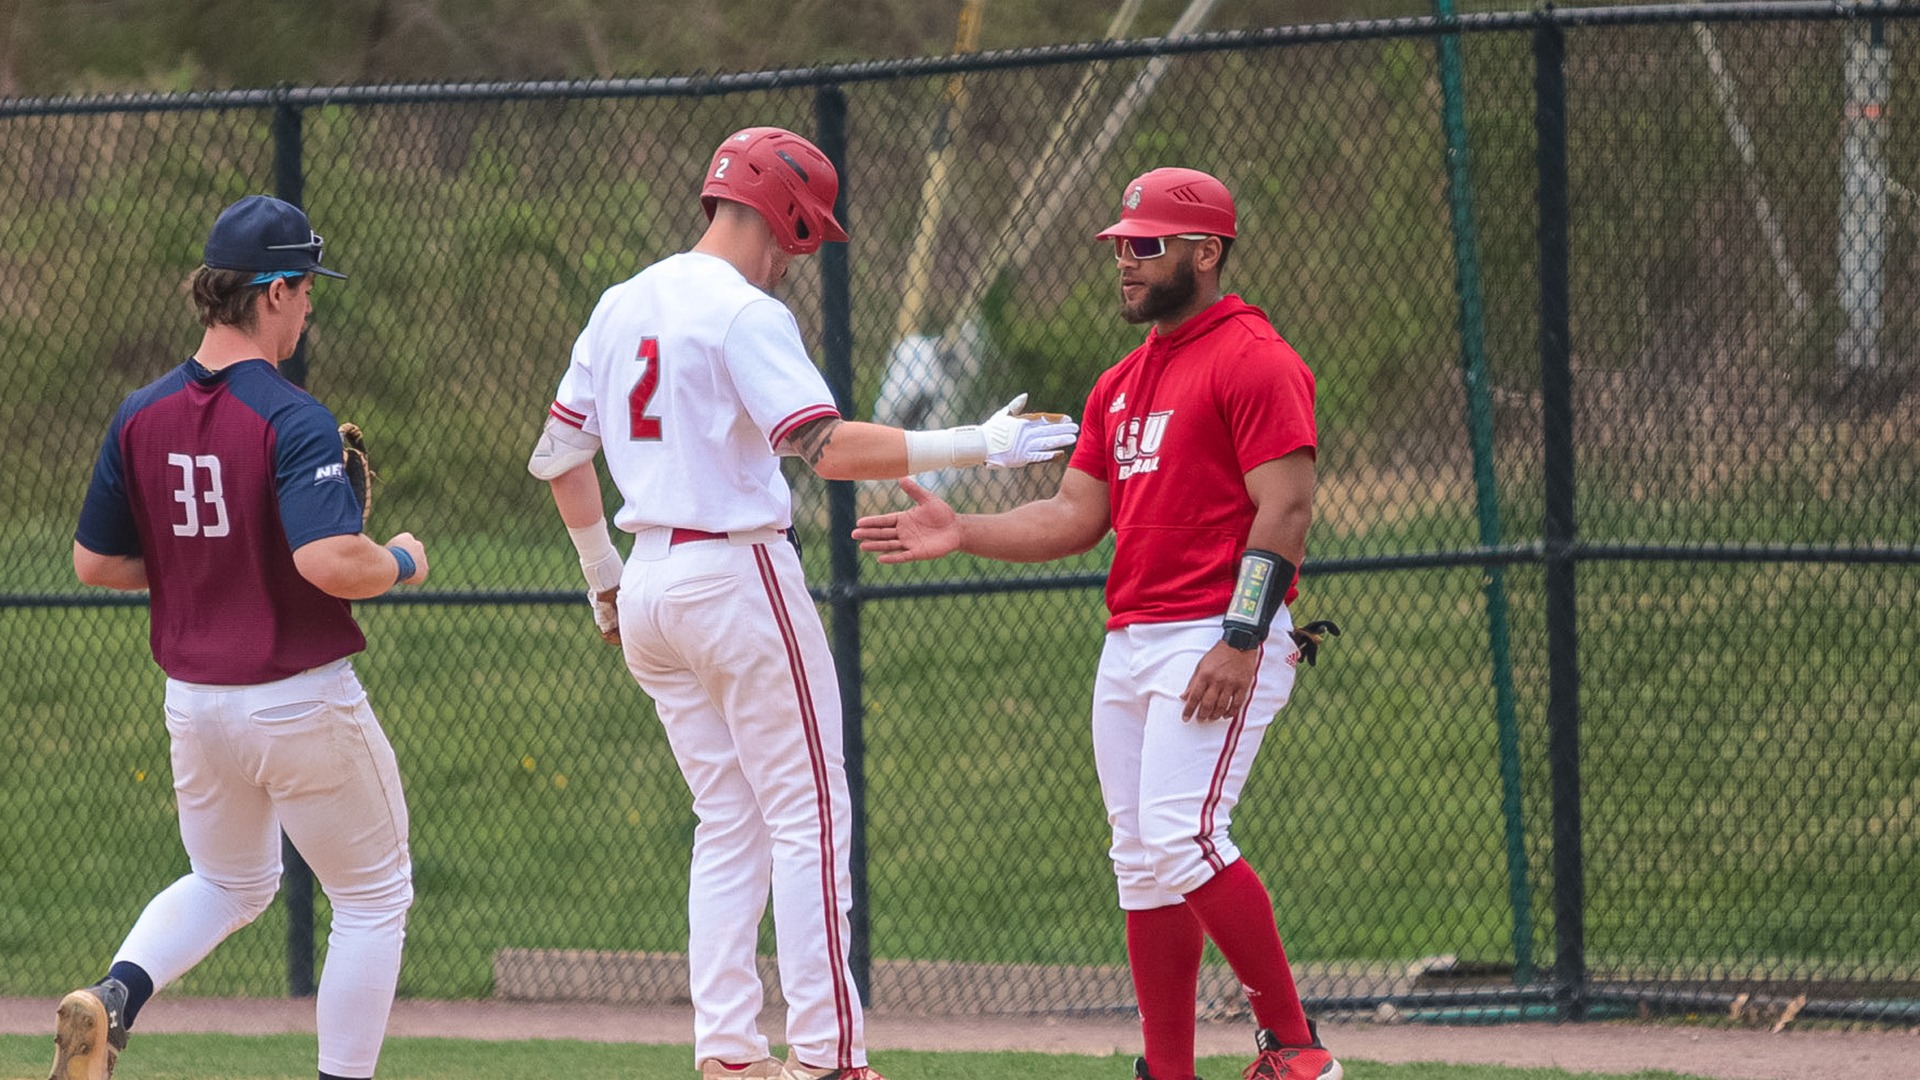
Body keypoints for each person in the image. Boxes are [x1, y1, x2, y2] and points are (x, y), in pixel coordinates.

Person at [527, 125, 1077, 1080]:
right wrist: (976, 445)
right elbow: (827, 451)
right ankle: (829, 1059)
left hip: (649, 579)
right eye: (802, 231)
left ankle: (730, 1056)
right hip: (732, 573)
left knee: (727, 818)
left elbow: (558, 460)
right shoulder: (742, 313)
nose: (798, 253)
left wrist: (604, 579)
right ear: (779, 211)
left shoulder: (620, 303)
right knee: (810, 813)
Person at [852, 167, 1341, 1080]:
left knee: (1184, 837)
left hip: (1215, 632)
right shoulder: (1121, 381)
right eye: (1121, 243)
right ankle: (1168, 1071)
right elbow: (1076, 516)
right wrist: (964, 530)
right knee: (1142, 861)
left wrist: (1241, 638)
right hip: (1132, 641)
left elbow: (1288, 508)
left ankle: (1298, 1049)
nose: (1125, 259)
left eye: (1146, 244)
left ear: (1207, 251)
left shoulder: (1256, 358)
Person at [61, 195, 425, 1080]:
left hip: (196, 705)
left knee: (230, 882)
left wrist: (206, 561)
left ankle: (114, 999)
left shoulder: (139, 414)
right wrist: (403, 561)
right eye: (305, 288)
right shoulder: (290, 416)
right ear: (269, 292)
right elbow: (334, 562)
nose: (309, 307)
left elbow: (95, 563)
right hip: (296, 699)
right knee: (374, 897)